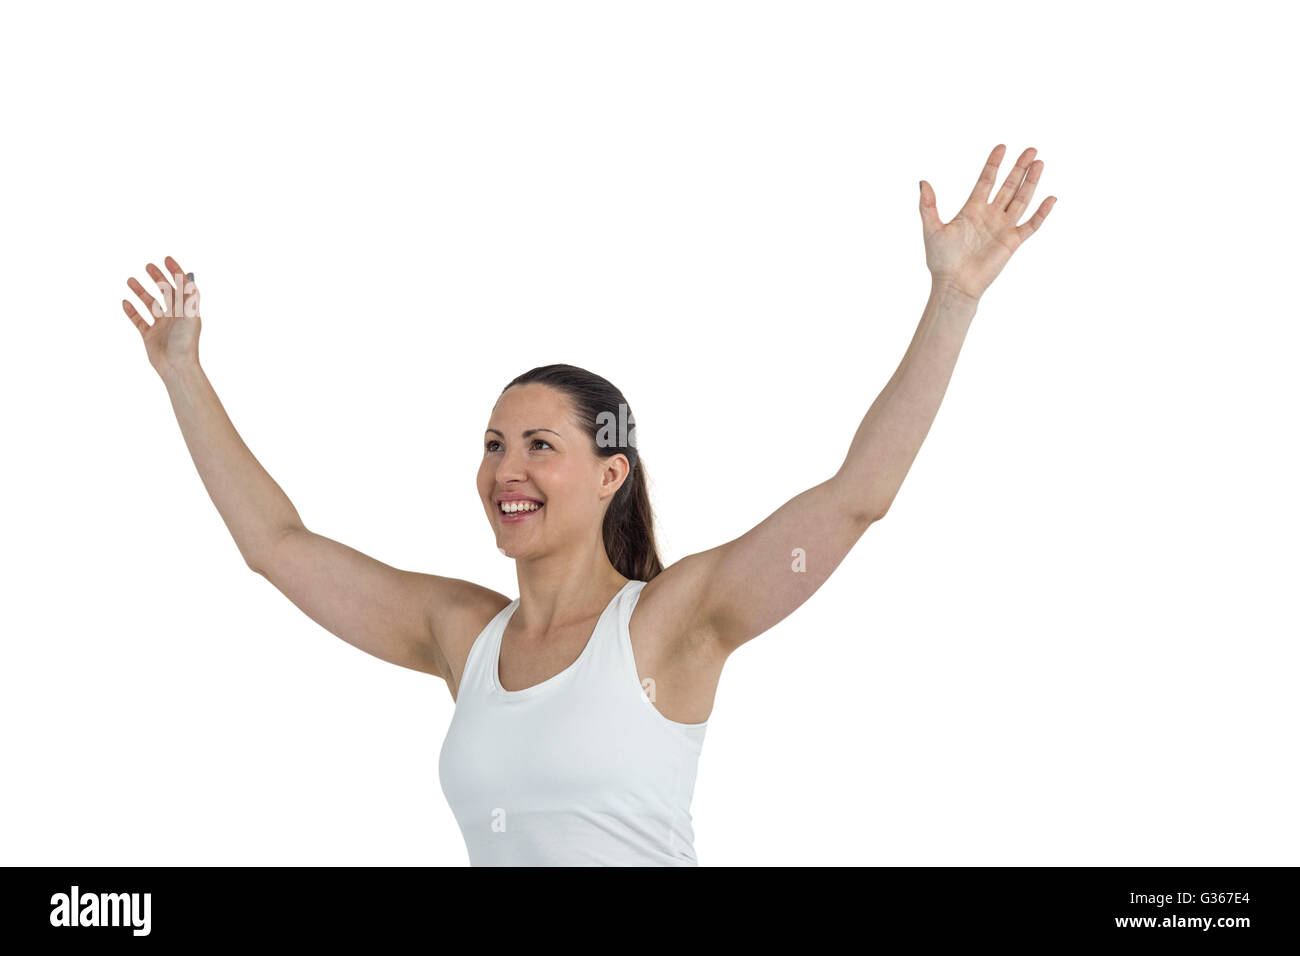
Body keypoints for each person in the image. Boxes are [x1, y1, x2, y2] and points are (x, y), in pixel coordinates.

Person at [120, 144, 1055, 866]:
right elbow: (277, 546)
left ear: (612, 472)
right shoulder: (463, 636)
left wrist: (953, 299)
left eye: (539, 447)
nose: (505, 471)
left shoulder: (673, 620)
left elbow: (857, 499)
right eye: (492, 446)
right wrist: (183, 375)